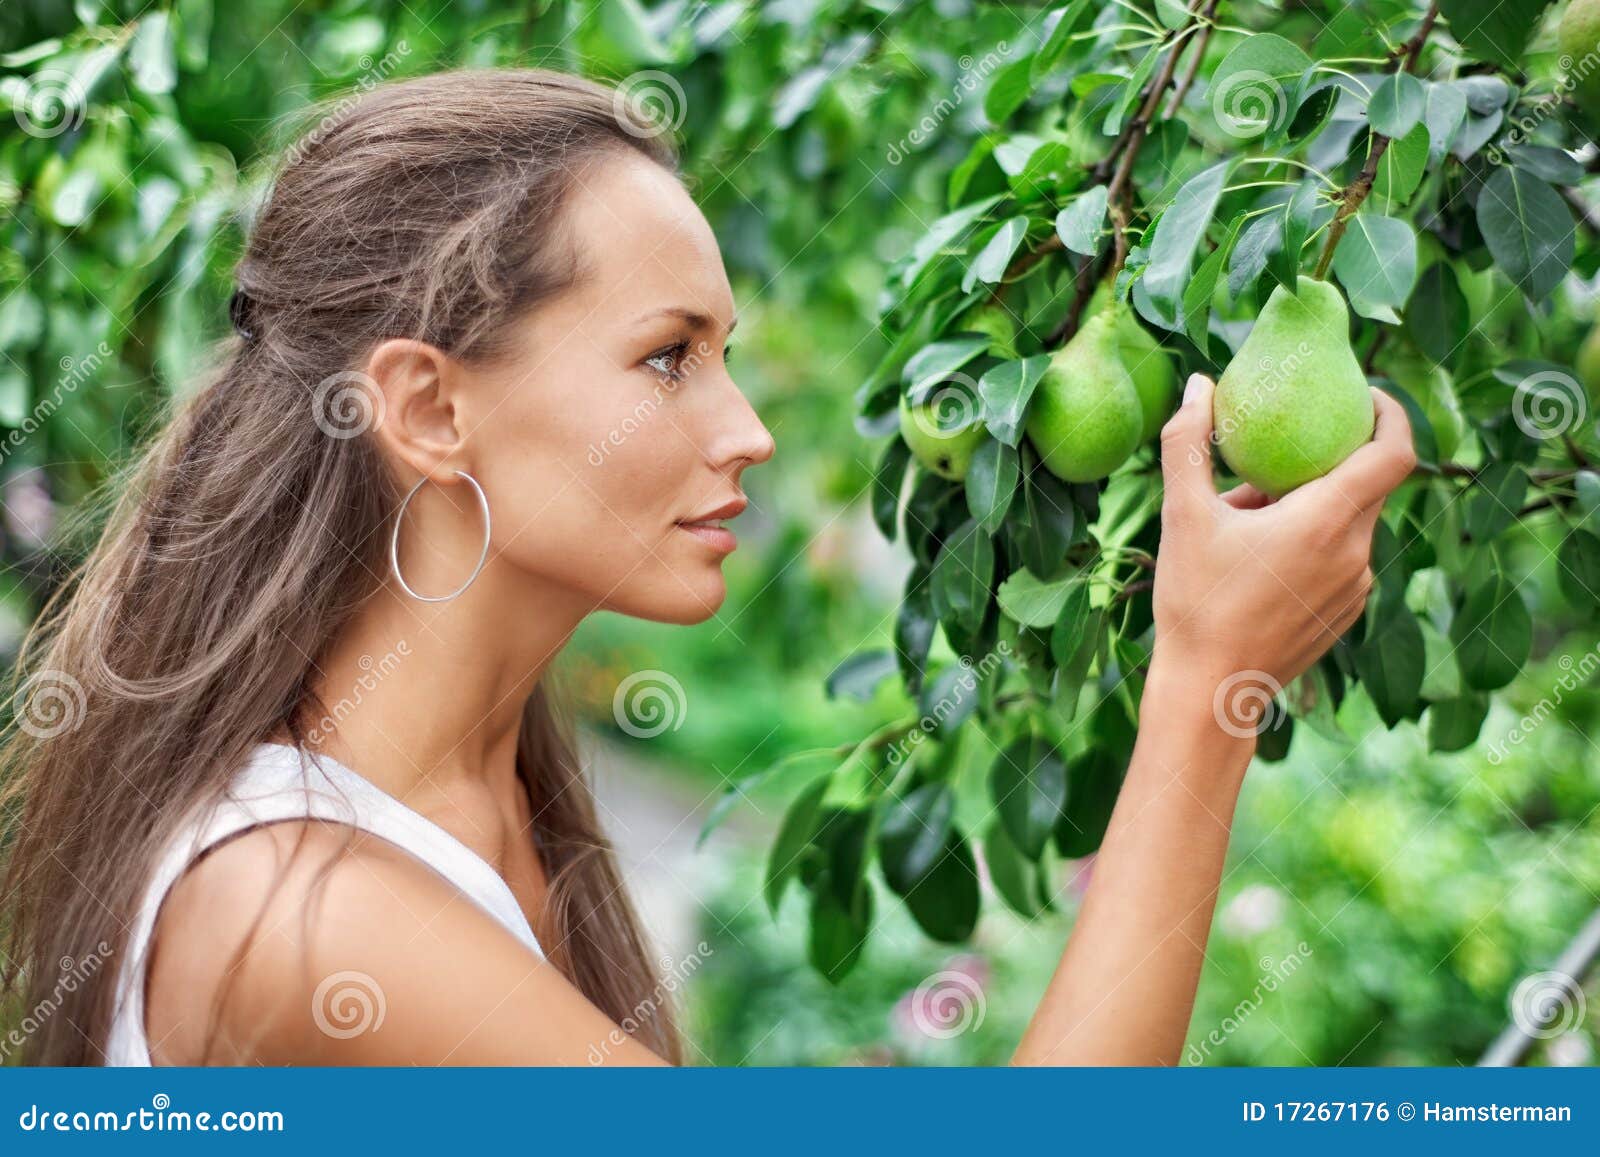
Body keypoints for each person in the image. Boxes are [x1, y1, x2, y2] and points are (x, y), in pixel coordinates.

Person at [0, 69, 1414, 1066]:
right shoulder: (306, 919)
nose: (743, 429)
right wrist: (1207, 686)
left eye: (724, 355)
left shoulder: (483, 799)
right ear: (430, 409)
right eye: (667, 357)